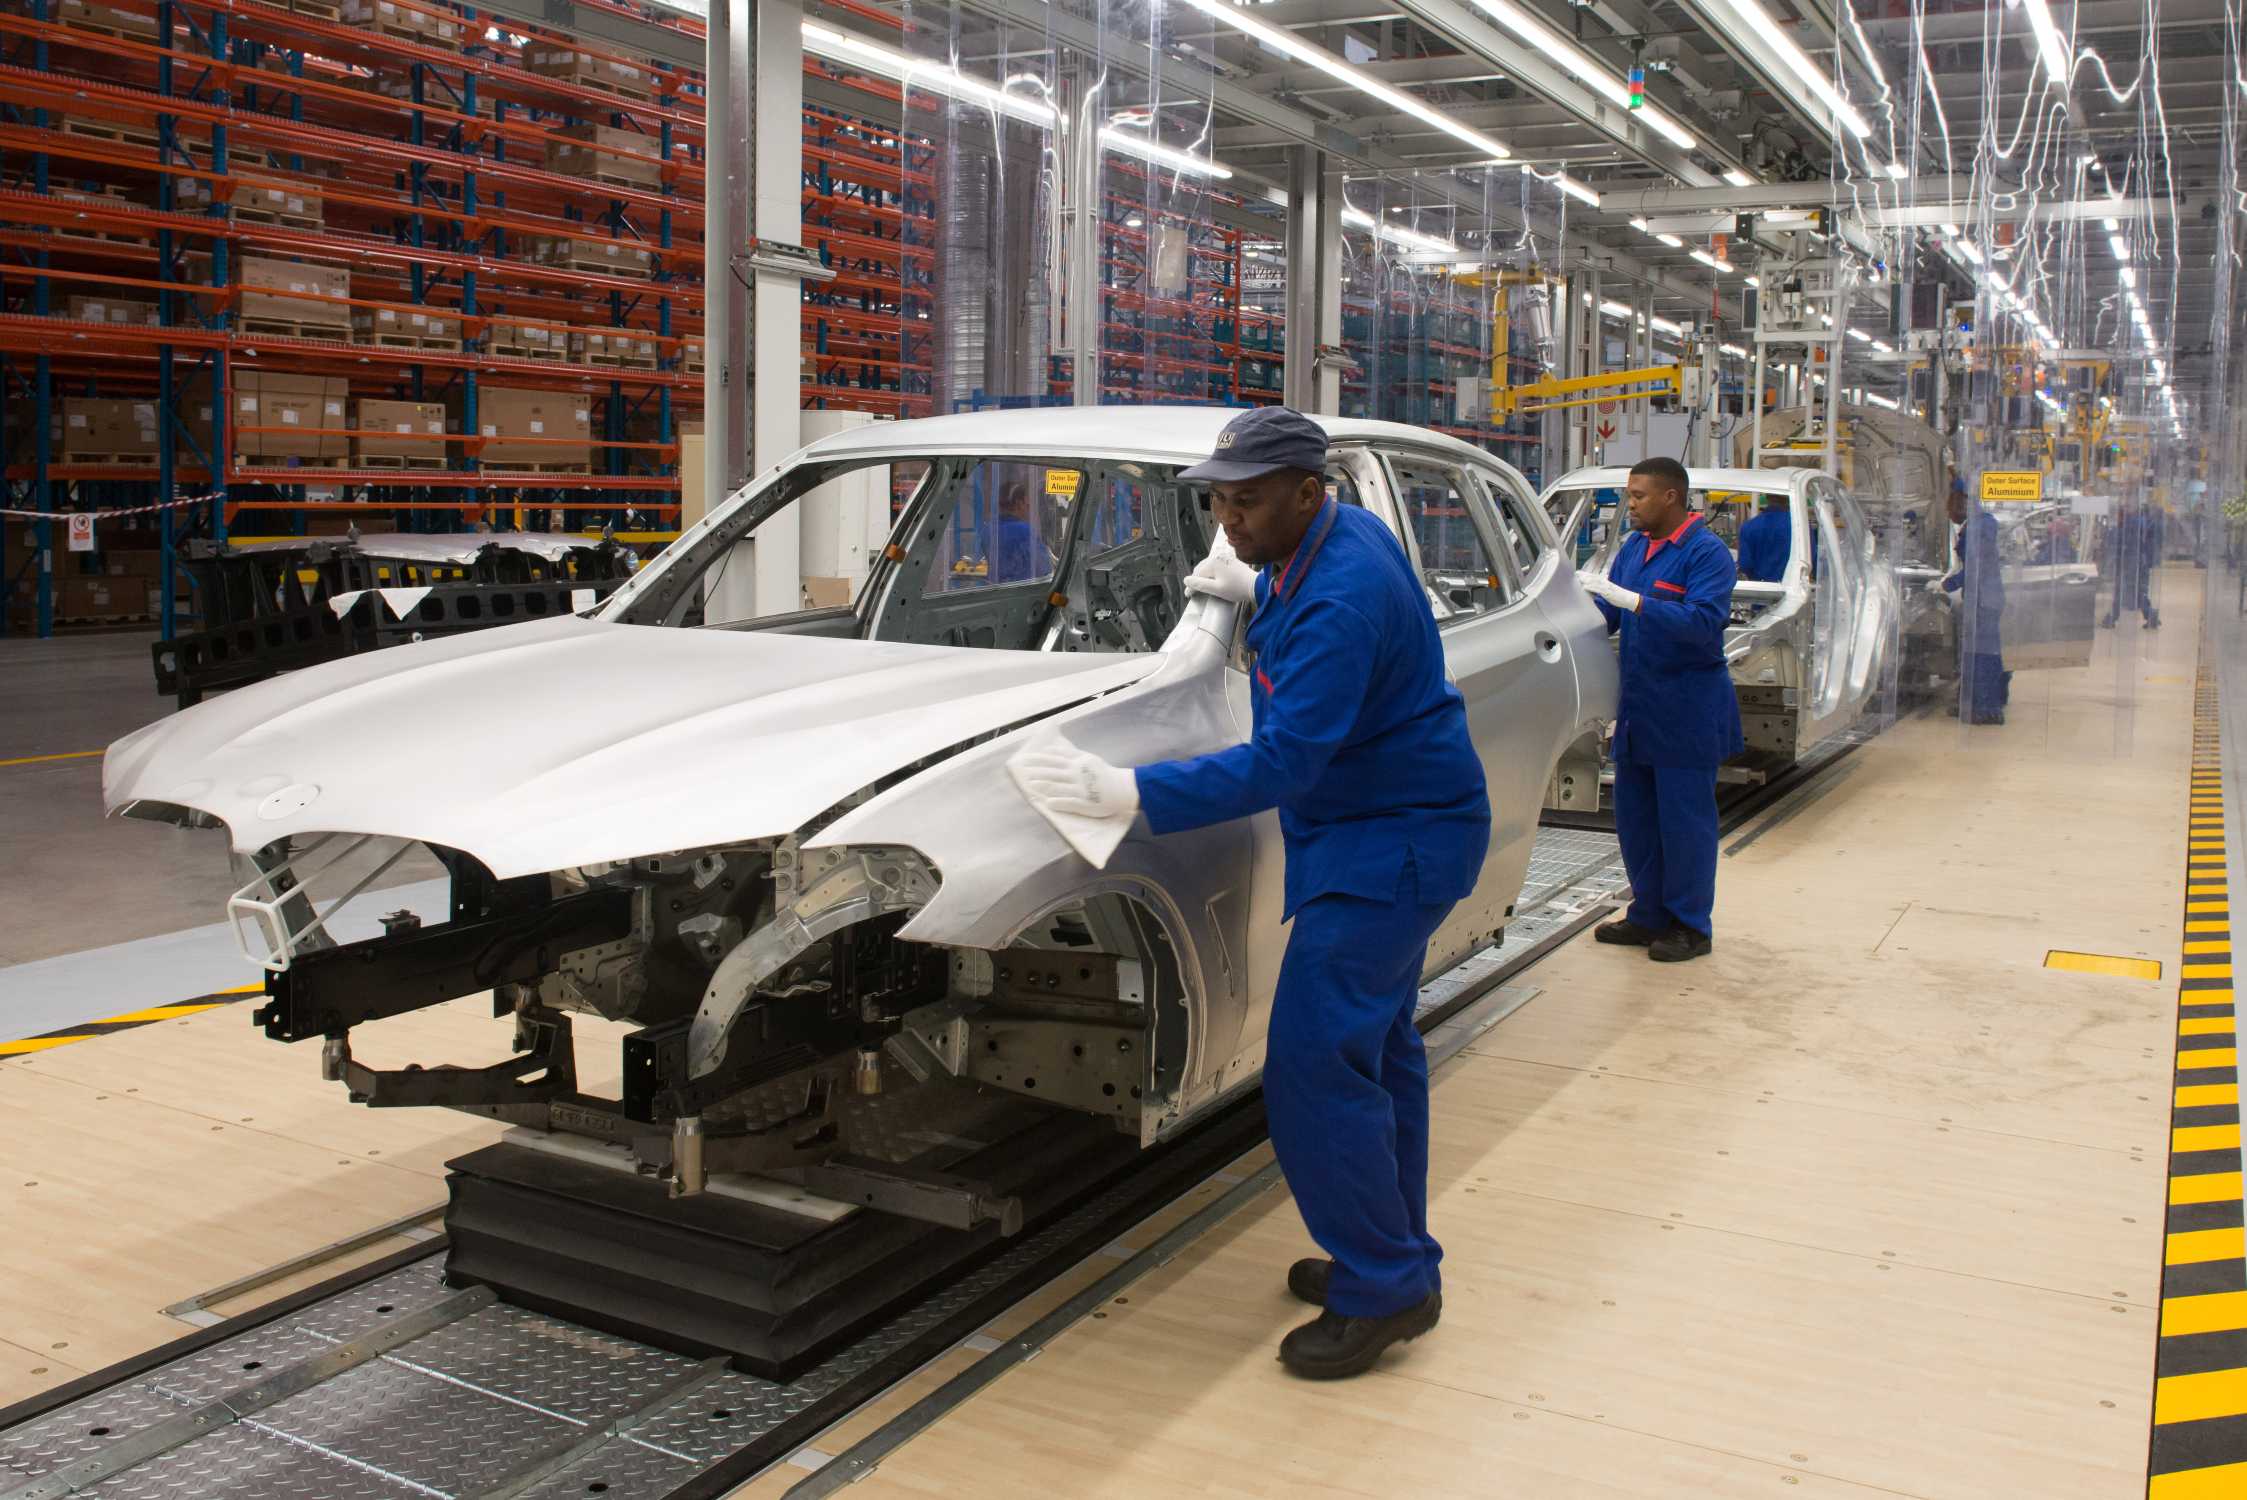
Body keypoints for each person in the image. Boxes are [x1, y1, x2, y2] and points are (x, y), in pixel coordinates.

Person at [1010, 405, 1489, 1381]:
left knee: (1314, 1068)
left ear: (1307, 493)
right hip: (1396, 828)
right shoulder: (1338, 536)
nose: (1229, 522)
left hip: (1388, 849)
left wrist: (1131, 793)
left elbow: (1284, 763)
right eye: (1219, 502)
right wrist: (1257, 590)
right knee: (1377, 1056)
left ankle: (1384, 1288)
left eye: (1250, 503)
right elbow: (1298, 640)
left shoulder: (1338, 601)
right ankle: (1393, 1258)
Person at [1577, 457, 1744, 963]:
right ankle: (1648, 914)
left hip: (1687, 708)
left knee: (1685, 824)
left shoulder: (1706, 553)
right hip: (1639, 707)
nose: (1630, 505)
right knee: (1637, 820)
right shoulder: (1635, 548)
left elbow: (1703, 624)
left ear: (1671, 497)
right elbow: (1607, 614)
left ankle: (1690, 926)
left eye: (1638, 496)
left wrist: (1635, 602)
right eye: (1629, 495)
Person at [1936, 481, 2009, 724]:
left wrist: (1947, 585)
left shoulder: (1978, 528)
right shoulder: (1982, 523)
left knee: (1981, 654)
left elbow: (1975, 568)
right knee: (1987, 651)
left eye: (1951, 503)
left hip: (1983, 600)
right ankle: (1987, 701)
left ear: (1962, 501)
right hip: (1988, 597)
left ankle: (1984, 708)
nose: (1949, 510)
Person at [2102, 501, 2162, 629]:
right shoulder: (2139, 521)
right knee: (2136, 592)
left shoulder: (2131, 523)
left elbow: (2124, 543)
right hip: (2137, 561)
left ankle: (2113, 617)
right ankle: (2150, 616)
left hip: (2131, 562)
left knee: (2124, 590)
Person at [987, 481, 1049, 585]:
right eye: (1026, 502)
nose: (1028, 505)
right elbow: (1043, 568)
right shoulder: (1025, 531)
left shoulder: (989, 529)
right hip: (1022, 589)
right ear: (1019, 503)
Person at [1734, 493, 1793, 583]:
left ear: (1767, 497)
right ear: (1788, 499)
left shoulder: (1749, 526)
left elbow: (1745, 564)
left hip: (1761, 586)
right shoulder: (1800, 527)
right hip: (1793, 585)